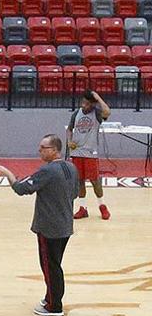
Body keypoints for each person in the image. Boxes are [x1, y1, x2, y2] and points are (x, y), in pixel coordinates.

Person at [0, 135, 78, 316]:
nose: (39, 151)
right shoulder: (71, 168)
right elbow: (75, 193)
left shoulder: (47, 171)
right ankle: (51, 297)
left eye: (43, 148)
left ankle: (54, 306)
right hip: (65, 225)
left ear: (55, 150)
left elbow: (21, 189)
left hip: (49, 228)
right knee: (55, 264)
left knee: (50, 267)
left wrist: (8, 174)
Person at [66, 90, 111, 220]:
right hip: (77, 151)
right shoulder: (76, 114)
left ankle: (102, 206)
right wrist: (69, 141)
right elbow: (69, 129)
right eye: (83, 102)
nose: (83, 105)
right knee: (79, 181)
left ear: (92, 104)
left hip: (91, 152)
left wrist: (98, 97)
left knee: (95, 181)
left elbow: (107, 112)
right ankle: (83, 208)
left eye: (87, 103)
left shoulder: (96, 113)